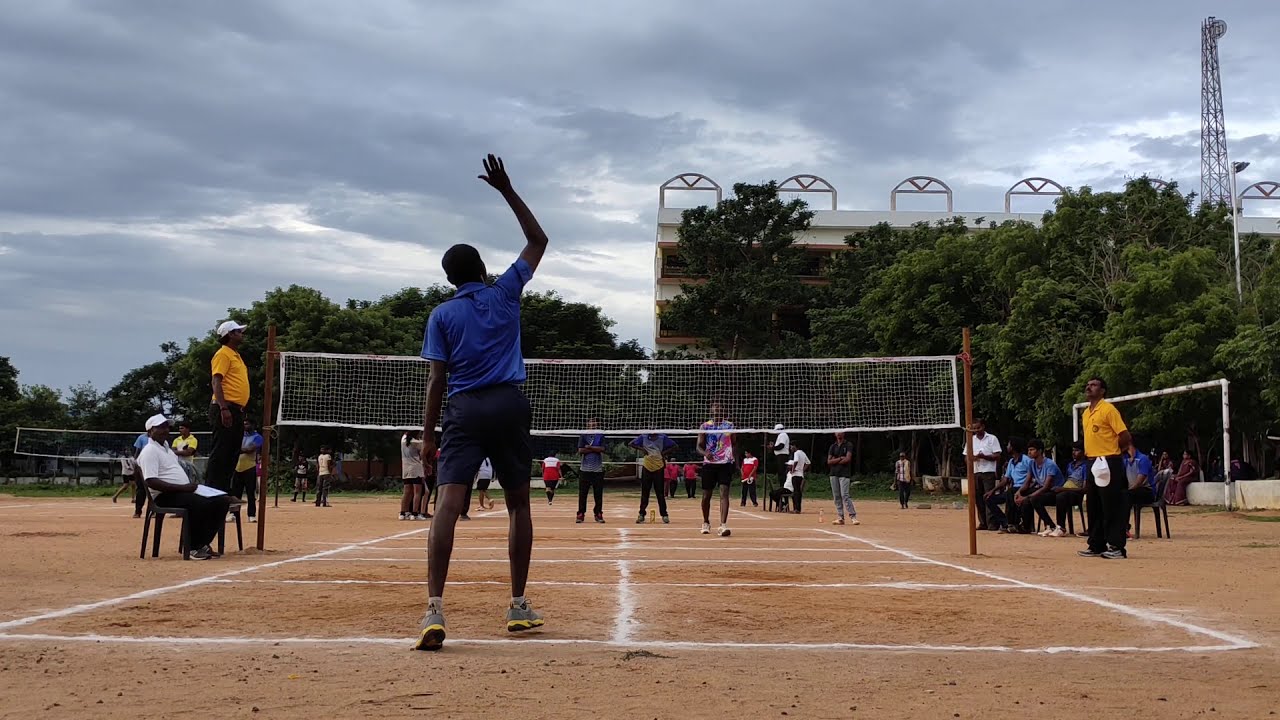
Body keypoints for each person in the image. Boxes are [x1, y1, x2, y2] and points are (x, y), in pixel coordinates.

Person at [415, 154, 547, 651]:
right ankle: (516, 605)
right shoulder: (506, 292)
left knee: (448, 504)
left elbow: (435, 381)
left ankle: (434, 609)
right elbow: (538, 240)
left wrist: (428, 437)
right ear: (484, 269)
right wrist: (507, 190)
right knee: (517, 504)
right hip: (510, 404)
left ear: (450, 279)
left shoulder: (441, 314)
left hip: (464, 409)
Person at [137, 414, 232, 560]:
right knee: (199, 503)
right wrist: (183, 488)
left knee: (222, 501)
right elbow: (151, 481)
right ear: (150, 432)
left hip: (180, 492)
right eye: (160, 427)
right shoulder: (149, 451)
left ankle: (202, 543)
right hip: (164, 496)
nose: (165, 430)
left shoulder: (167, 449)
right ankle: (193, 547)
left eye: (166, 427)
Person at [1078, 377, 1132, 560]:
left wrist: (1114, 451)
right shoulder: (1086, 413)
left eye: (1093, 385)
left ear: (1102, 391)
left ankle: (1116, 546)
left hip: (1108, 460)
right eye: (1088, 384)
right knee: (1094, 504)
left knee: (1111, 506)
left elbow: (1124, 436)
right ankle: (1096, 544)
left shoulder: (1108, 409)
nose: (1088, 387)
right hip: (1092, 461)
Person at [207, 320, 249, 492]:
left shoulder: (235, 355)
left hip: (236, 409)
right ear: (230, 334)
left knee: (232, 453)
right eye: (238, 331)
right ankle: (211, 491)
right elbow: (216, 381)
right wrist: (223, 408)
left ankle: (223, 491)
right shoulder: (223, 354)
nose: (242, 334)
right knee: (221, 452)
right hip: (225, 408)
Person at [698, 402, 735, 536]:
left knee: (724, 493)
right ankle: (706, 522)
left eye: (720, 406)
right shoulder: (705, 426)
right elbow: (699, 446)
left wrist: (733, 459)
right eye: (715, 405)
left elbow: (734, 443)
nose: (718, 408)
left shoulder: (730, 426)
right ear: (711, 409)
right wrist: (705, 453)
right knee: (706, 495)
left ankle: (723, 525)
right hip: (709, 464)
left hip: (725, 463)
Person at [1032, 442, 1081, 537]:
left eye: (1077, 450)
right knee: (1036, 498)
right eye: (1073, 450)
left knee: (1061, 496)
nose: (1074, 453)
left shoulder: (1085, 466)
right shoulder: (1070, 465)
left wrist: (1064, 489)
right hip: (1064, 491)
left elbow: (1084, 489)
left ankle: (1061, 528)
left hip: (1075, 494)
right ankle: (1050, 525)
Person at [985, 437, 1030, 533]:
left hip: (1023, 488)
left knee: (1011, 492)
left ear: (1013, 447)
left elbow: (1031, 477)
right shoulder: (1011, 462)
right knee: (989, 499)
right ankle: (1005, 522)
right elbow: (1005, 479)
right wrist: (992, 490)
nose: (1007, 447)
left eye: (1009, 445)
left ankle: (1013, 523)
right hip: (1013, 489)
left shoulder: (1026, 460)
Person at [1022, 439, 1066, 536]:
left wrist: (1028, 496)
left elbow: (1046, 486)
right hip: (1044, 490)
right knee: (1020, 495)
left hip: (1055, 491)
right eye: (1028, 450)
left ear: (1040, 451)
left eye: (1032, 449)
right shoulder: (1031, 463)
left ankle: (1051, 526)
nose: (1029, 452)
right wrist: (1019, 492)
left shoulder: (1050, 464)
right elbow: (1027, 481)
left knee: (1034, 499)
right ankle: (1024, 526)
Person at [630, 432, 675, 524]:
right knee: (645, 492)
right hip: (647, 466)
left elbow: (675, 446)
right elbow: (631, 443)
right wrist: (642, 449)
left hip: (658, 466)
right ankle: (641, 514)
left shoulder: (663, 437)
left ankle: (664, 515)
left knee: (660, 493)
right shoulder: (643, 436)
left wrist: (663, 453)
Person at [967, 418, 1002, 531]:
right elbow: (966, 456)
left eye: (978, 427)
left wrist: (984, 456)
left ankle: (992, 523)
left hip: (988, 471)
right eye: (974, 428)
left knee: (988, 497)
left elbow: (997, 455)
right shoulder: (971, 440)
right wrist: (971, 459)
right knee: (978, 498)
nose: (976, 430)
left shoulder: (992, 439)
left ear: (983, 426)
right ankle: (983, 522)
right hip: (976, 471)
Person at [112, 432, 150, 517]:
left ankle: (133, 499)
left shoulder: (161, 440)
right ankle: (137, 510)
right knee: (135, 487)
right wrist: (135, 467)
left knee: (135, 485)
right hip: (128, 472)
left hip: (149, 468)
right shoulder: (142, 438)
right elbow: (136, 455)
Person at [233, 419, 263, 522]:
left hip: (249, 467)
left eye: (247, 424)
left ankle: (251, 514)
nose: (245, 426)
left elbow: (250, 450)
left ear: (253, 425)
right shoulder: (240, 436)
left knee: (251, 492)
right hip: (238, 467)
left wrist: (238, 449)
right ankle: (233, 514)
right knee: (236, 493)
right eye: (244, 424)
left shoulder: (258, 437)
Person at [576, 419, 606, 524]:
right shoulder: (583, 435)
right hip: (585, 469)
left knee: (598, 494)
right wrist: (594, 449)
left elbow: (602, 449)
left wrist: (590, 447)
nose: (593, 426)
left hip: (597, 470)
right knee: (583, 493)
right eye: (591, 425)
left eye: (595, 425)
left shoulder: (600, 435)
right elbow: (580, 450)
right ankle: (580, 514)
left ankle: (598, 513)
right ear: (587, 426)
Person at [1125, 443, 1156, 533]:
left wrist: (1127, 490)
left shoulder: (1143, 459)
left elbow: (1139, 482)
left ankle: (1124, 528)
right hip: (1133, 491)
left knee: (1126, 495)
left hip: (1147, 491)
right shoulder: (1125, 459)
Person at [827, 432, 856, 522]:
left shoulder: (848, 445)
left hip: (844, 474)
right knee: (836, 496)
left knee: (845, 495)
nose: (839, 434)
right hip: (834, 473)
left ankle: (853, 516)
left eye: (840, 432)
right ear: (835, 434)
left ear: (844, 433)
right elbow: (829, 461)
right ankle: (840, 516)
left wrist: (834, 460)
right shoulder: (833, 446)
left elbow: (847, 459)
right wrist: (839, 459)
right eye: (837, 432)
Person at [401, 431, 426, 520]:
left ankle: (403, 513)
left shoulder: (403, 439)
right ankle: (414, 513)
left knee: (407, 492)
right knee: (417, 492)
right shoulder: (417, 442)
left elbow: (406, 434)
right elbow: (424, 450)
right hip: (416, 469)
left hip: (405, 469)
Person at [786, 442, 810, 514]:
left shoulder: (796, 453)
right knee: (798, 491)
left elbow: (796, 461)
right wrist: (802, 469)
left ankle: (796, 508)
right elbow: (808, 462)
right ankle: (798, 508)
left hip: (795, 475)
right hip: (800, 475)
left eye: (791, 447)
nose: (791, 448)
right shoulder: (803, 453)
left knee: (796, 492)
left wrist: (793, 469)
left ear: (794, 446)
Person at [771, 423, 790, 500]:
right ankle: (782, 487)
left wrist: (773, 448)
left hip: (782, 456)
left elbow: (781, 446)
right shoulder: (782, 435)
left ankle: (783, 489)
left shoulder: (782, 435)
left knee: (782, 474)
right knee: (781, 474)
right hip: (780, 456)